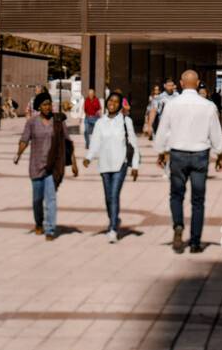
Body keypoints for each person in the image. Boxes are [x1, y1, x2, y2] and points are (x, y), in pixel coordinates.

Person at [155, 68, 222, 253]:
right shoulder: (208, 106)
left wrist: (161, 152)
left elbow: (163, 130)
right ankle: (195, 242)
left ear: (181, 83)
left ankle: (178, 225)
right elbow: (215, 132)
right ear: (198, 82)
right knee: (198, 200)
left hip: (177, 154)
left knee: (176, 195)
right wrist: (220, 154)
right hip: (200, 155)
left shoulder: (172, 105)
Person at [14, 88, 77, 240]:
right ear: (39, 107)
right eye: (44, 105)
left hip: (52, 166)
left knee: (51, 199)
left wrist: (74, 163)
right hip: (36, 167)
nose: (47, 107)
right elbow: (24, 140)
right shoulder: (32, 123)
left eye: (49, 104)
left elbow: (67, 142)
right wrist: (18, 154)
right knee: (37, 200)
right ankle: (39, 223)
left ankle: (50, 229)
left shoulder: (58, 122)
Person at [82, 91, 140, 242]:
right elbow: (95, 142)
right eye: (110, 101)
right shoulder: (100, 122)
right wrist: (88, 157)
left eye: (116, 101)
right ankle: (114, 219)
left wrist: (134, 166)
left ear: (120, 105)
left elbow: (133, 144)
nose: (112, 103)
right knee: (108, 198)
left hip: (121, 164)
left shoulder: (126, 122)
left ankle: (113, 228)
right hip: (104, 165)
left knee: (114, 195)